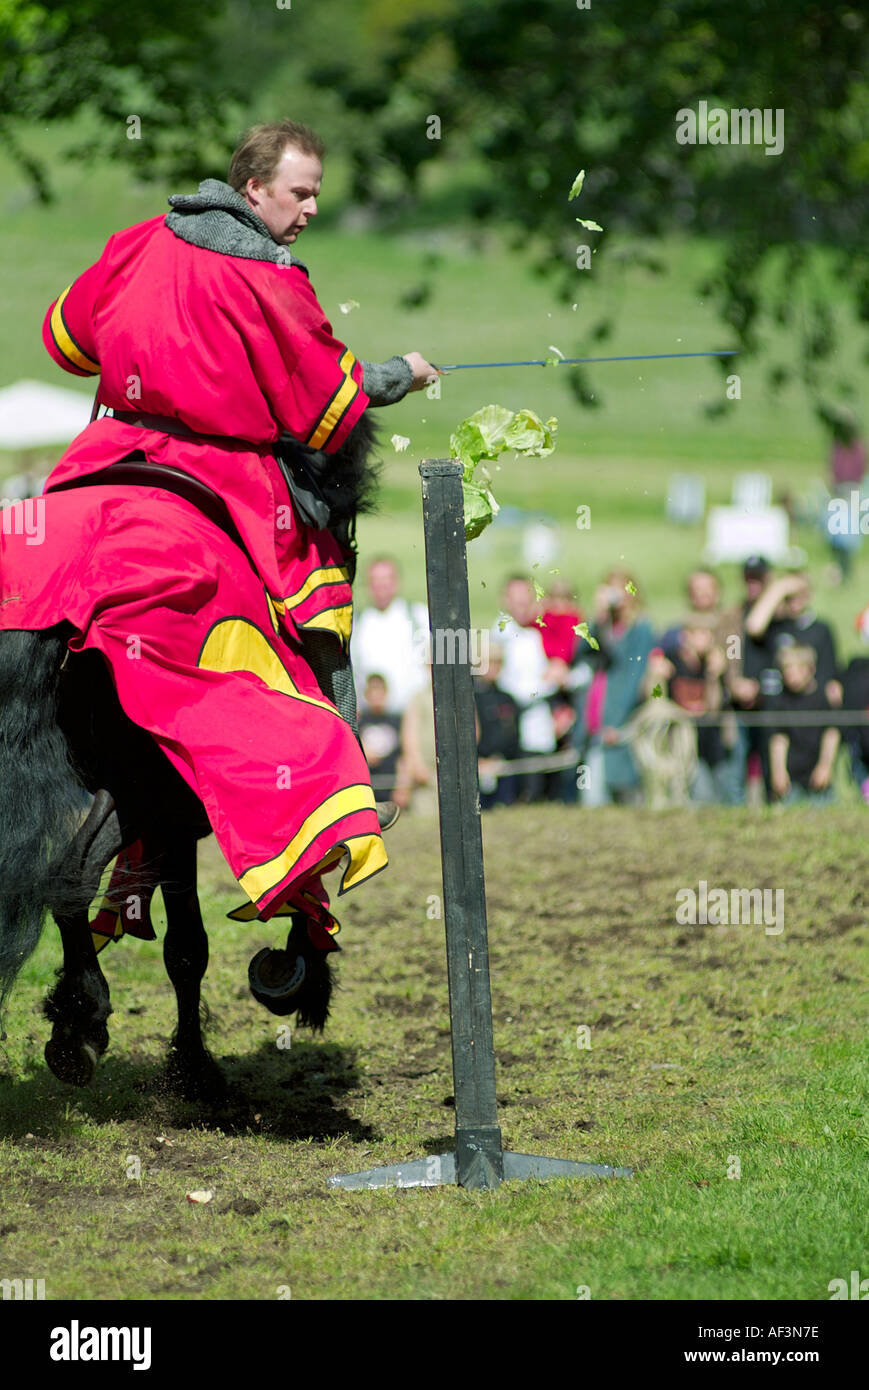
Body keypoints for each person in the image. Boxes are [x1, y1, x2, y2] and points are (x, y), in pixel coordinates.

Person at [0, 119, 440, 971]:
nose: (310, 208)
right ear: (252, 189)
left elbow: (65, 338)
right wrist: (401, 373)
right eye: (300, 191)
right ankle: (329, 807)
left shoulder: (137, 238)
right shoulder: (272, 275)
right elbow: (330, 401)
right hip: (220, 478)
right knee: (319, 611)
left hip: (103, 460)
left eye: (316, 193)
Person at [572, 569, 655, 806]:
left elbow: (631, 675)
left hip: (621, 730)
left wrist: (618, 723)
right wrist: (598, 619)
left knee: (627, 798)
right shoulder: (603, 625)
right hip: (594, 729)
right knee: (592, 803)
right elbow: (580, 652)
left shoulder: (640, 629)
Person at [350, 557, 429, 716]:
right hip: (371, 720)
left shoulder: (419, 615)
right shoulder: (356, 623)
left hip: (413, 717)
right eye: (375, 580)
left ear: (397, 582)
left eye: (386, 579)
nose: (381, 586)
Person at [768, 646, 840, 805]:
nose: (791, 675)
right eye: (787, 669)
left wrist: (825, 766)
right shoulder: (781, 701)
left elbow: (831, 734)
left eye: (797, 669)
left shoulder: (823, 698)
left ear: (810, 669)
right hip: (791, 779)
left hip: (817, 776)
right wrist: (778, 772)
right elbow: (779, 738)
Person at [473, 643, 521, 809]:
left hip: (504, 768)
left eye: (497, 662)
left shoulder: (507, 698)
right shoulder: (470, 698)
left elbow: (514, 735)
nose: (494, 667)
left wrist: (500, 758)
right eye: (489, 662)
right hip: (476, 770)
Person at [357, 674, 402, 804]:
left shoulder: (397, 720)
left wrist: (402, 788)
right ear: (366, 694)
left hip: (392, 791)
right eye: (373, 690)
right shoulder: (358, 721)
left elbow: (403, 757)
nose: (376, 695)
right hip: (366, 791)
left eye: (380, 690)